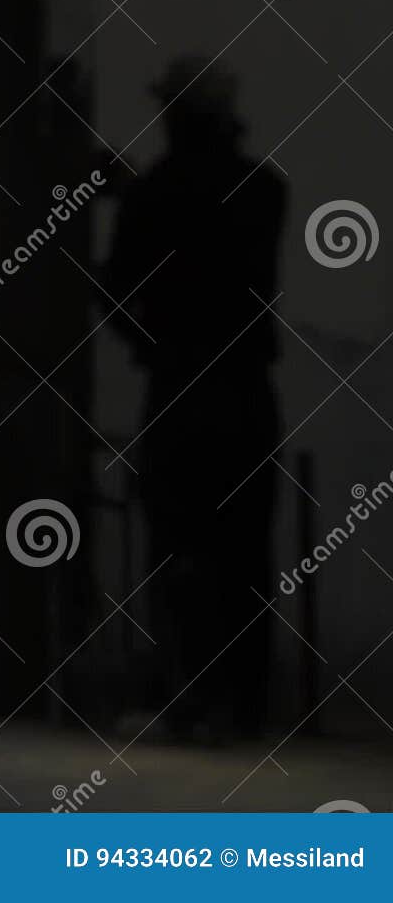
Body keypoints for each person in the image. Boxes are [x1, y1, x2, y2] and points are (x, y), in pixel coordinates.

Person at [104, 56, 286, 742]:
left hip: (179, 387)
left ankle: (188, 695)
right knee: (245, 554)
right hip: (243, 393)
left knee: (177, 546)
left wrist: (149, 343)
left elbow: (116, 285)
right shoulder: (265, 189)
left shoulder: (155, 192)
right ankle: (243, 707)